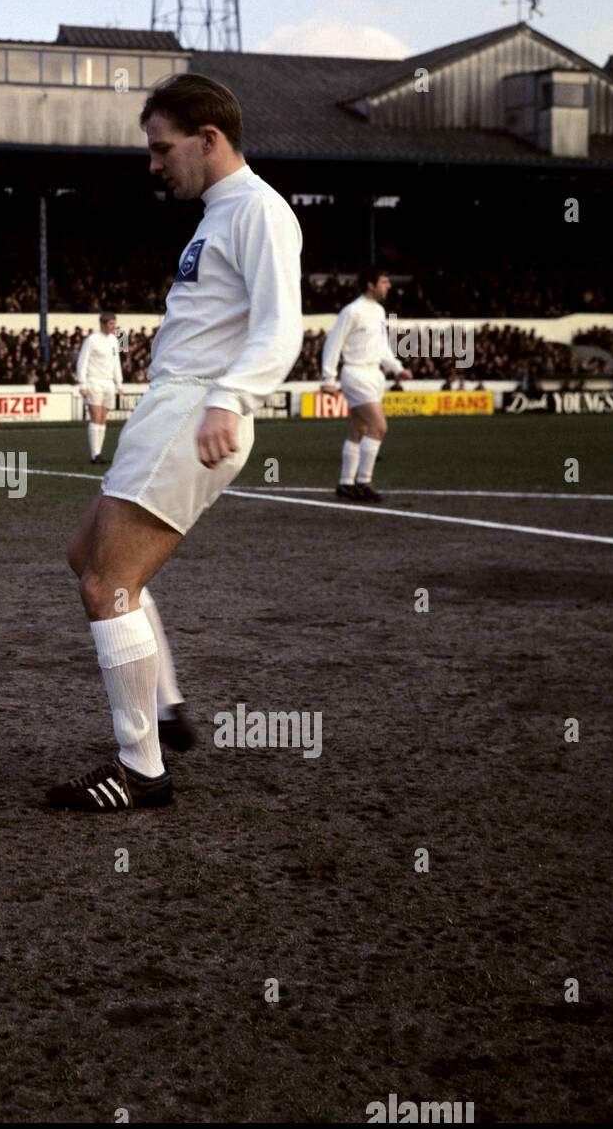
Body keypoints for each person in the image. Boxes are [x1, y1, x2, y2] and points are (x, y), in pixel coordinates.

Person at [49, 73, 304, 812]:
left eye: (162, 149)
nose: (154, 164)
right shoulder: (219, 213)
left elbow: (281, 324)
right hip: (169, 409)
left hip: (195, 409)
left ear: (209, 139)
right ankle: (161, 708)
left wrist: (230, 398)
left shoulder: (258, 210)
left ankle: (142, 770)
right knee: (86, 560)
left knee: (108, 586)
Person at [319, 267, 412, 503]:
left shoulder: (379, 311)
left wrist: (397, 369)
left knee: (359, 430)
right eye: (384, 281)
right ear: (371, 284)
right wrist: (328, 379)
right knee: (379, 427)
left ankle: (346, 483)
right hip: (356, 373)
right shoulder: (352, 311)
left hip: (374, 374)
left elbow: (382, 347)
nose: (388, 286)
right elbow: (333, 343)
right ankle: (364, 481)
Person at [75, 310, 124, 463]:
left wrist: (119, 383)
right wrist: (82, 383)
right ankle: (94, 454)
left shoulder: (115, 340)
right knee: (95, 417)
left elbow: (116, 363)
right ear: (102, 324)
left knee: (103, 418)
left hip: (108, 383)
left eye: (114, 324)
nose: (113, 327)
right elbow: (82, 362)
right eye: (111, 324)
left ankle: (99, 454)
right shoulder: (91, 340)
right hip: (93, 381)